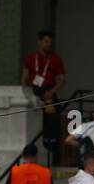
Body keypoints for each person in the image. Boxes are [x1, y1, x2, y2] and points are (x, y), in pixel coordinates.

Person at [22, 29, 66, 159]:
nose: (48, 44)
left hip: (50, 94)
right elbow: (24, 77)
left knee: (51, 125)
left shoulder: (56, 59)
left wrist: (51, 92)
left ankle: (51, 152)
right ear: (39, 42)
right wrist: (27, 92)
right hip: (34, 92)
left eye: (50, 42)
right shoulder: (30, 58)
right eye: (46, 41)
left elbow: (61, 80)